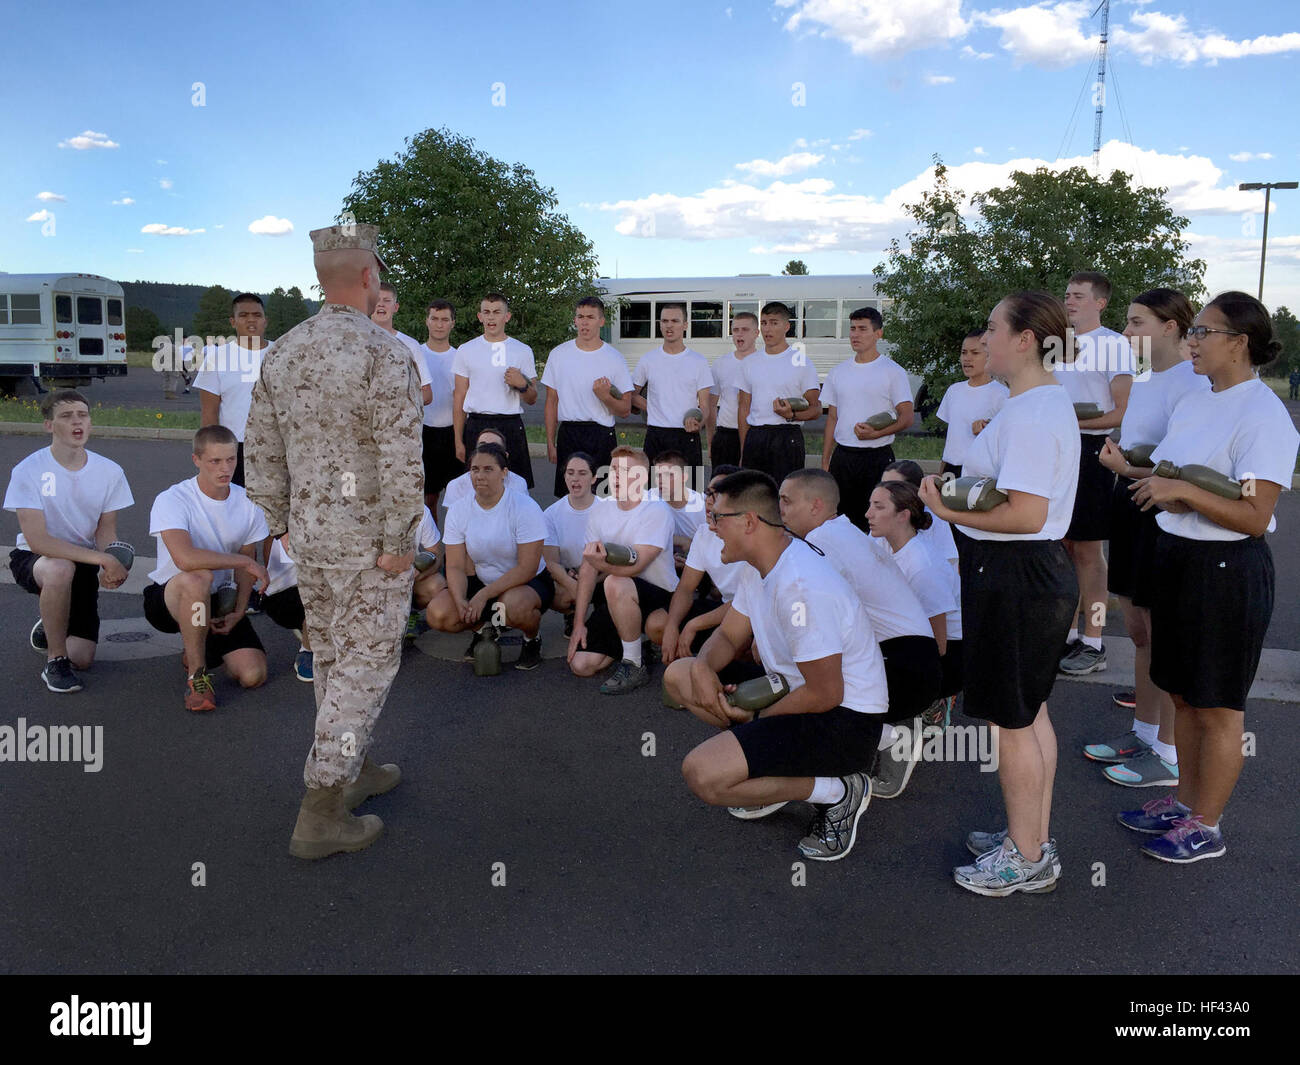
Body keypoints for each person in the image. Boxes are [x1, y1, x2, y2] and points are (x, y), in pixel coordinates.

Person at [245, 222, 424, 861]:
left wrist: (278, 521)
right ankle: (321, 810)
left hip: (311, 539)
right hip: (371, 540)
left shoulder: (285, 350)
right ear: (370, 275)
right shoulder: (384, 350)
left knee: (329, 656)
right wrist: (402, 537)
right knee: (365, 664)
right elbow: (404, 455)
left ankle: (355, 765)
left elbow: (259, 447)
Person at [1124, 291, 1299, 862]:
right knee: (1183, 694)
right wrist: (1170, 493)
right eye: (1192, 331)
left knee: (1218, 706)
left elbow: (1253, 516)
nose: (1191, 341)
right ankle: (1183, 803)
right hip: (1178, 559)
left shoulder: (1263, 415)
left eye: (1204, 332)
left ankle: (1208, 826)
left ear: (1239, 342)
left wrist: (1183, 492)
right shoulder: (1199, 400)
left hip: (1227, 571)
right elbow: (1182, 479)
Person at [918, 290, 1080, 896]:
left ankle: (1027, 855)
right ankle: (1030, 835)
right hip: (1022, 573)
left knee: (1012, 723)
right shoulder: (1031, 403)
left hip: (1017, 574)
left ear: (1025, 339)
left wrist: (944, 508)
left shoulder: (1035, 412)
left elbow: (1025, 514)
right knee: (1029, 712)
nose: (982, 339)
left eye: (991, 328)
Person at [677, 470, 890, 861]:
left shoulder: (800, 586)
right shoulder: (761, 562)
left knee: (703, 774)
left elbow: (828, 693)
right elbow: (727, 637)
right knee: (681, 677)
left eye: (717, 517)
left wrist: (759, 721)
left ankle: (839, 790)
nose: (710, 526)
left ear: (749, 521)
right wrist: (703, 669)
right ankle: (766, 762)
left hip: (845, 720)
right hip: (800, 692)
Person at [1090, 289, 1207, 788]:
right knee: (1138, 632)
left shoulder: (1191, 382)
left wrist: (1127, 465)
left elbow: (1182, 463)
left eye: (1137, 322)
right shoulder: (1146, 377)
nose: (1128, 331)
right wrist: (1125, 465)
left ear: (1171, 327)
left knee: (1162, 636)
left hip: (1160, 511)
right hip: (1130, 504)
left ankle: (1167, 753)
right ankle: (1143, 732)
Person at [778, 469, 941, 799]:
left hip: (904, 664)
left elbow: (817, 615)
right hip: (914, 662)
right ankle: (888, 737)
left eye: (786, 501)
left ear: (816, 506)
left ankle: (888, 740)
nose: (780, 510)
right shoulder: (843, 534)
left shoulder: (821, 541)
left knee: (815, 687)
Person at [4, 389, 133, 693]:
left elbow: (105, 529)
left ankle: (51, 625)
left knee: (84, 658)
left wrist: (110, 560)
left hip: (84, 561)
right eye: (66, 416)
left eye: (82, 415)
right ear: (49, 425)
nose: (77, 422)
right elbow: (37, 541)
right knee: (60, 569)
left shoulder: (110, 471)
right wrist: (101, 559)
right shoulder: (28, 470)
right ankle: (55, 661)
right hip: (35, 560)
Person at [143, 426, 270, 711]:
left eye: (231, 460)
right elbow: (185, 559)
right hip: (171, 597)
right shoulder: (172, 499)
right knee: (197, 578)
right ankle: (197, 676)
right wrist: (245, 561)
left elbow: (245, 565)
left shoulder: (248, 502)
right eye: (215, 461)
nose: (225, 468)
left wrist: (238, 609)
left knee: (253, 675)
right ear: (196, 460)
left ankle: (200, 645)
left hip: (218, 601)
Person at [1058, 271, 1136, 676]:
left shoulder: (1115, 346)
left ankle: (1094, 641)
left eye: (1078, 296)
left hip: (1092, 452)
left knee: (1089, 551)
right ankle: (1067, 635)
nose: (1069, 301)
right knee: (1063, 546)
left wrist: (1074, 424)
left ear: (1100, 302)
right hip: (1057, 451)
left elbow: (1121, 410)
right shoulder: (1056, 343)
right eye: (1067, 295)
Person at [428, 442, 552, 671]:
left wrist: (483, 595)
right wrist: (460, 601)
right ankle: (483, 629)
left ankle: (531, 639)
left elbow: (527, 568)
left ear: (504, 473)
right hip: (482, 579)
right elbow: (454, 566)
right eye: (475, 469)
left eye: (488, 469)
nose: (480, 475)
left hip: (525, 582)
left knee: (512, 606)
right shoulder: (458, 510)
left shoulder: (524, 507)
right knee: (438, 613)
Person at [567, 447, 677, 693]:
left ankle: (634, 663)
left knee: (615, 582)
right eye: (614, 469)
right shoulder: (600, 508)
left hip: (658, 594)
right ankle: (635, 643)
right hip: (620, 599)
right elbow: (587, 570)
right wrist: (578, 624)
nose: (616, 476)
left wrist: (598, 564)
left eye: (626, 471)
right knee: (581, 665)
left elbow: (636, 566)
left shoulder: (656, 510)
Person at [867, 481, 963, 704]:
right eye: (870, 505)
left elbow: (938, 646)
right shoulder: (882, 542)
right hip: (912, 635)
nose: (868, 514)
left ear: (903, 516)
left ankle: (935, 708)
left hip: (948, 653)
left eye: (879, 507)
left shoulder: (923, 566)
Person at [820, 307, 913, 532]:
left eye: (863, 329)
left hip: (877, 458)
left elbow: (907, 417)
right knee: (842, 522)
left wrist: (876, 433)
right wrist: (825, 460)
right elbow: (832, 417)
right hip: (843, 457)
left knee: (876, 522)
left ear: (878, 333)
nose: (855, 334)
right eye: (852, 328)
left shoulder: (892, 371)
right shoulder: (838, 372)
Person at [647, 465, 746, 663]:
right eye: (708, 492)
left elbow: (746, 603)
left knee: (734, 646)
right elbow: (685, 588)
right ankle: (698, 656)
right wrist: (673, 626)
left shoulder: (750, 536)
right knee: (657, 623)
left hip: (749, 617)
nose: (709, 500)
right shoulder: (703, 533)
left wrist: (694, 625)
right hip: (724, 609)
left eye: (718, 494)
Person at [543, 296, 633, 497]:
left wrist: (605, 397)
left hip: (601, 434)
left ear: (601, 321)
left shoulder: (614, 358)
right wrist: (550, 442)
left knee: (603, 497)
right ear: (574, 320)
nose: (584, 322)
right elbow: (551, 401)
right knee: (568, 497)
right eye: (580, 316)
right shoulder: (558, 354)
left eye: (590, 317)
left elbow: (626, 409)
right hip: (569, 433)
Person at [452, 292, 537, 487]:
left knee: (515, 488)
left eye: (497, 312)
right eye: (487, 312)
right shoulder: (466, 349)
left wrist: (522, 384)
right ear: (480, 316)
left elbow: (532, 398)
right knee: (476, 488)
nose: (491, 317)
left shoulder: (522, 350)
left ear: (506, 317)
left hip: (510, 425)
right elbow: (459, 397)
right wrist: (458, 440)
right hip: (476, 425)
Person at [737, 302, 821, 486]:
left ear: (786, 326)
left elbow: (816, 409)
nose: (768, 329)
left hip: (787, 437)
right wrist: (744, 449)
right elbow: (744, 408)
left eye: (774, 323)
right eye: (764, 323)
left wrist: (791, 415)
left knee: (785, 497)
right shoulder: (749, 362)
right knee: (753, 496)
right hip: (756, 436)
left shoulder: (801, 362)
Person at [631, 303, 714, 488]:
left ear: (685, 325)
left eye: (675, 321)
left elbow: (705, 405)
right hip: (656, 435)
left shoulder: (698, 361)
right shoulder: (648, 360)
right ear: (659, 324)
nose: (669, 326)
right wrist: (652, 407)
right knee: (653, 496)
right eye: (665, 321)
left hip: (687, 436)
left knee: (690, 498)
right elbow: (632, 395)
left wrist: (698, 422)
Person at [195, 293, 272, 488]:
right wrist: (211, 454)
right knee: (235, 506)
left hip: (276, 444)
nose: (251, 320)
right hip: (234, 447)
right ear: (233, 321)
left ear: (265, 321)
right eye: (244, 315)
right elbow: (209, 412)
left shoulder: (281, 353)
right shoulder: (216, 358)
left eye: (257, 315)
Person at [543, 452, 606, 629]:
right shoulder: (551, 514)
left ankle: (603, 614)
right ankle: (572, 614)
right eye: (570, 473)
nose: (575, 479)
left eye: (582, 473)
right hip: (568, 576)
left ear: (594, 478)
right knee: (558, 596)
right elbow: (551, 562)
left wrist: (592, 581)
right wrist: (574, 586)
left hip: (601, 574)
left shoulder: (608, 508)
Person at [935, 329, 1008, 479]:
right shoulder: (953, 391)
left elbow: (1006, 438)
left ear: (989, 355)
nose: (967, 359)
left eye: (975, 353)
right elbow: (952, 439)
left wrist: (986, 429)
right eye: (964, 352)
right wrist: (941, 472)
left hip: (979, 473)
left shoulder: (1001, 394)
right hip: (950, 469)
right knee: (946, 502)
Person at [420, 299, 463, 511]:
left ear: (452, 323)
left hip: (454, 433)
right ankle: (432, 545)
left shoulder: (460, 358)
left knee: (459, 500)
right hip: (424, 432)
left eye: (445, 319)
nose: (439, 324)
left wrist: (459, 439)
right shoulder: (415, 354)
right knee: (429, 500)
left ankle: (458, 544)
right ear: (427, 321)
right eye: (434, 318)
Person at [881, 459, 958, 570]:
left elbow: (949, 564)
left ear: (914, 490)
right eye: (882, 485)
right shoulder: (879, 513)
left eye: (893, 487)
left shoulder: (934, 519)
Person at [372, 283, 435, 409]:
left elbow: (427, 394)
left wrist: (395, 407)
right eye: (376, 300)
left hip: (397, 424)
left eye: (387, 300)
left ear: (395, 307)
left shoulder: (410, 345)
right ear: (368, 304)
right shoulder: (355, 342)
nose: (381, 304)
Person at [708, 312, 757, 468]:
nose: (739, 334)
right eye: (735, 330)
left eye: (745, 329)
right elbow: (711, 405)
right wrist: (710, 441)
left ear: (756, 333)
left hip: (755, 434)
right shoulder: (720, 364)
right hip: (725, 435)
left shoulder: (764, 363)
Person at [441, 427, 529, 510]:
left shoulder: (518, 483)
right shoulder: (456, 486)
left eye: (494, 448)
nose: (487, 452)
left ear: (505, 456)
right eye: (482, 447)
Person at [646, 450, 707, 565]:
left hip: (700, 566)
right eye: (658, 475)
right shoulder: (650, 498)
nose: (661, 481)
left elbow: (714, 547)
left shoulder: (702, 505)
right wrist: (679, 540)